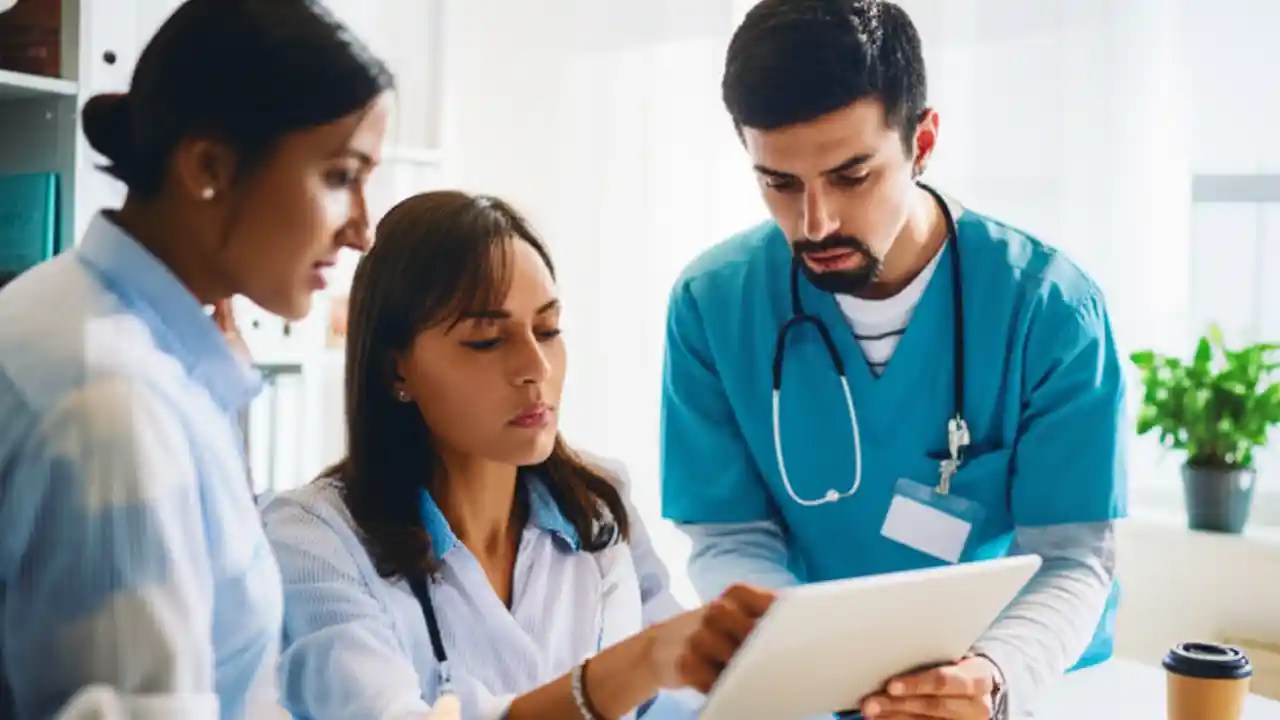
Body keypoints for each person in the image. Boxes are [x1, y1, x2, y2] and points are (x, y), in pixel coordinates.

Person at [660, 1, 1125, 718]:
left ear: (924, 140)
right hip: (806, 681)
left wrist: (992, 677)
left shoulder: (1048, 309)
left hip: (991, 672)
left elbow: (1072, 555)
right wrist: (799, 660)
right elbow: (729, 534)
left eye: (852, 176)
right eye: (780, 184)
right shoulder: (713, 304)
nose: (815, 223)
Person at [0, 0, 393, 716]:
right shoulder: (114, 405)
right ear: (209, 165)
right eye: (341, 176)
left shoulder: (109, 334)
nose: (364, 231)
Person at [262, 191, 772, 720]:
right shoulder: (314, 539)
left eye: (548, 330)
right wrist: (632, 667)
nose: (536, 367)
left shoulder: (596, 505)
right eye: (486, 340)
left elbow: (691, 703)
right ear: (397, 371)